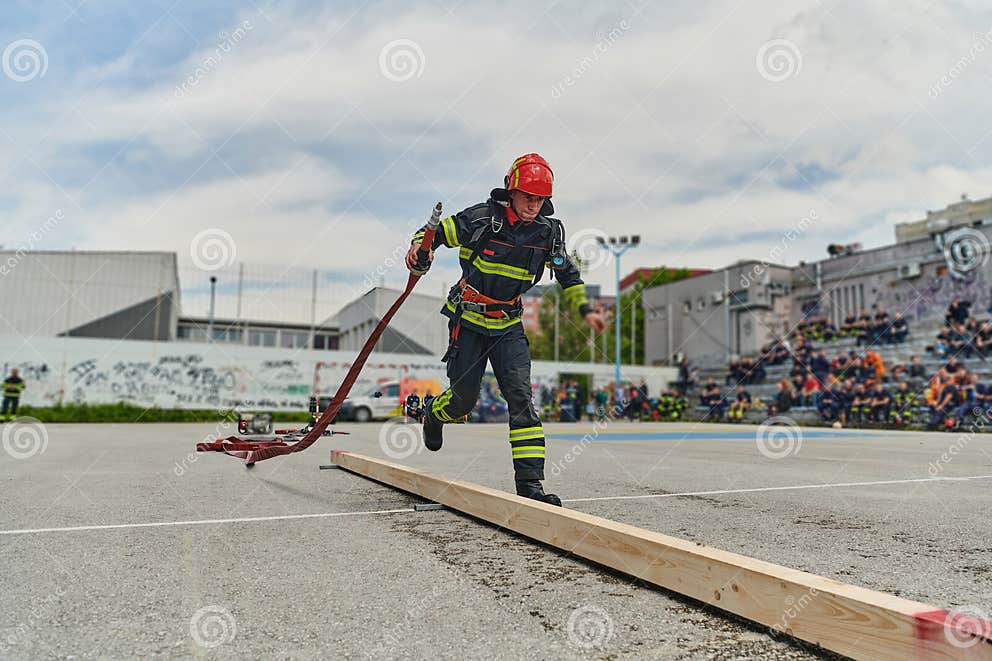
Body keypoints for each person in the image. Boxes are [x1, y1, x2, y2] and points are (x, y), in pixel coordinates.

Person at [404, 153, 606, 506]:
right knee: (464, 399)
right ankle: (434, 413)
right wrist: (419, 250)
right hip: (468, 320)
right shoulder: (482, 219)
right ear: (511, 191)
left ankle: (530, 486)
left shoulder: (549, 234)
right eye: (528, 197)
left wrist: (586, 310)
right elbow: (433, 234)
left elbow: (568, 275)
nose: (534, 205)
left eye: (540, 199)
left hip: (508, 325)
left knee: (521, 400)